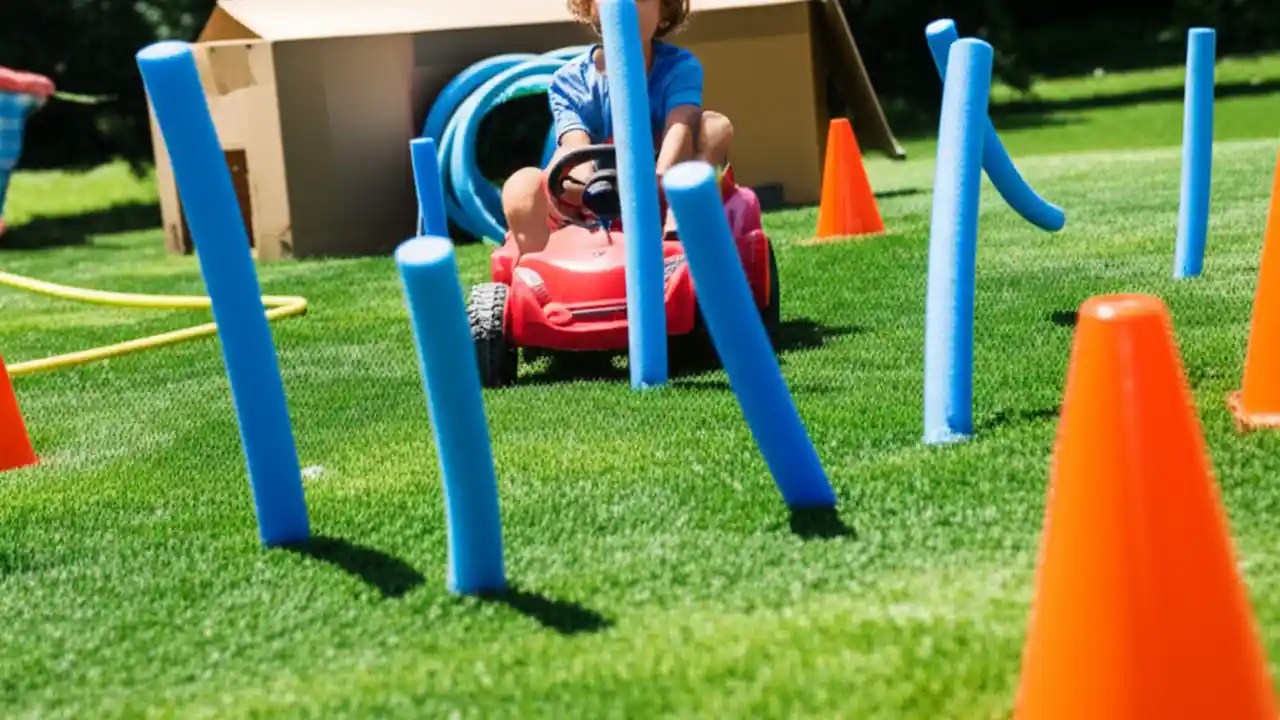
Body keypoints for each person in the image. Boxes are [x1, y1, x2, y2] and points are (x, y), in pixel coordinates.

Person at [500, 0, 734, 257]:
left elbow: (681, 125)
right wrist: (589, 186)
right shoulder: (569, 81)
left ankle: (682, 218)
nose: (627, 6)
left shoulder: (679, 67)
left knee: (715, 126)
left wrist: (658, 177)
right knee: (521, 185)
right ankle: (540, 265)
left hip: (663, 182)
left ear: (665, 11)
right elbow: (574, 143)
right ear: (589, 6)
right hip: (591, 190)